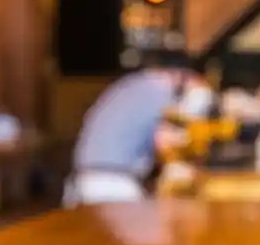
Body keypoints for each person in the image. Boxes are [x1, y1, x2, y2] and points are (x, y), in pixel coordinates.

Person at [65, 58, 213, 205]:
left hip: (84, 178)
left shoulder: (130, 85)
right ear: (182, 76)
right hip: (114, 182)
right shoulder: (160, 93)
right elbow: (166, 142)